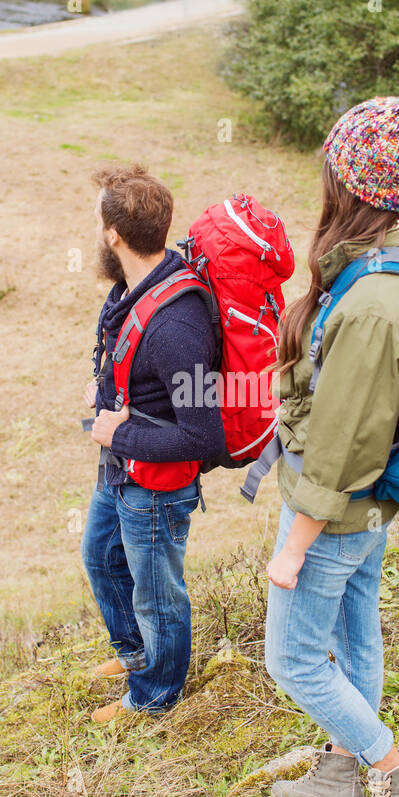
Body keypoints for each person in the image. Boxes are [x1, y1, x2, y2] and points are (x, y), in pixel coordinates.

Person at [263, 96, 399, 797]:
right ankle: (339, 771)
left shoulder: (376, 302)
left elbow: (341, 445)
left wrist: (294, 546)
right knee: (352, 637)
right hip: (364, 510)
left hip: (334, 510)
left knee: (294, 659)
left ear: (356, 183)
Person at [80, 163, 226, 723]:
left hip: (156, 486)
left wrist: (121, 430)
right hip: (121, 466)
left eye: (98, 220)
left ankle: (156, 696)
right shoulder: (134, 285)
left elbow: (203, 436)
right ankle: (136, 655)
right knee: (100, 558)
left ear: (114, 234)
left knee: (158, 595)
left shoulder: (177, 327)